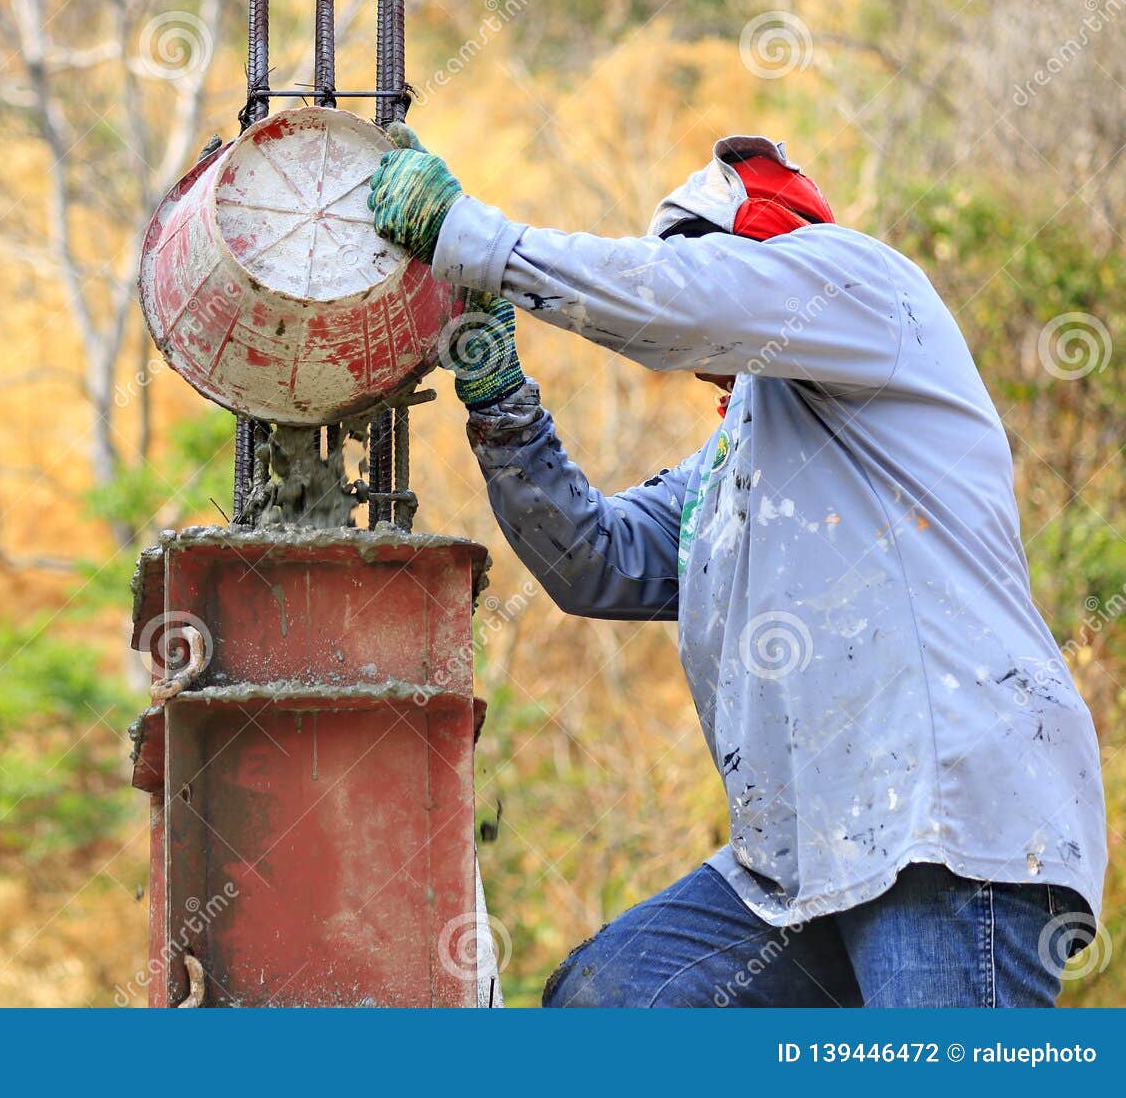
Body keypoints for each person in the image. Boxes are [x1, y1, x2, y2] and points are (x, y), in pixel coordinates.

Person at [366, 126, 1107, 1008]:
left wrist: (474, 240)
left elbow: (676, 306)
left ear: (757, 254)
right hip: (807, 868)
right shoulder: (736, 468)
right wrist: (497, 397)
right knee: (618, 1002)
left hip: (945, 827)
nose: (693, 306)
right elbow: (591, 559)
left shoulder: (862, 285)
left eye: (699, 270)